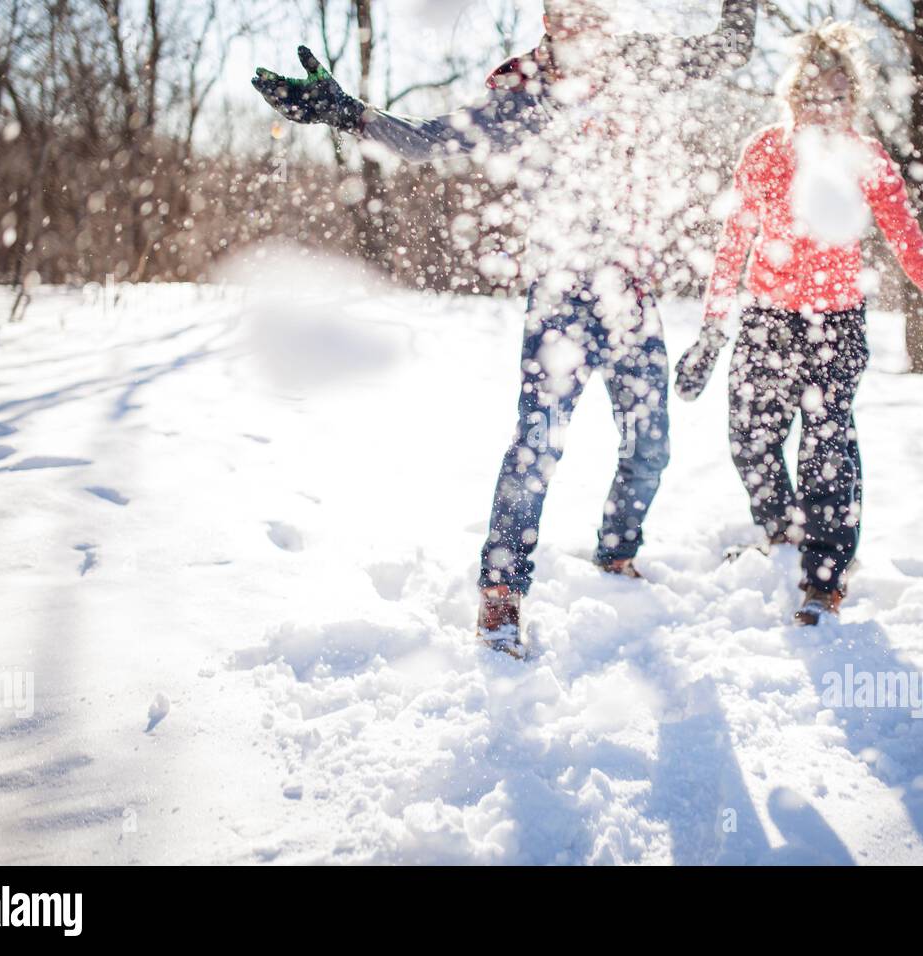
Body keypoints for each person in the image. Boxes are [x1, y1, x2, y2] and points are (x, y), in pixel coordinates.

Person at [253, 0, 759, 656]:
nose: (584, 26)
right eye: (567, 16)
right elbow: (429, 142)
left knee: (651, 447)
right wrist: (342, 111)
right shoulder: (525, 100)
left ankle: (617, 553)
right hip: (559, 299)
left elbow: (727, 50)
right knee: (537, 446)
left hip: (631, 297)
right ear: (551, 24)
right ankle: (501, 590)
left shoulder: (638, 69)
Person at [673, 20, 923, 626]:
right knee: (750, 442)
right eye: (814, 94)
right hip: (768, 321)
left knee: (827, 449)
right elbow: (732, 242)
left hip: (836, 325)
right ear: (792, 97)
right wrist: (713, 331)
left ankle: (824, 577)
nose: (826, 106)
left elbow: (914, 252)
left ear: (855, 101)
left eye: (840, 95)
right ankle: (785, 535)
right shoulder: (765, 152)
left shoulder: (868, 160)